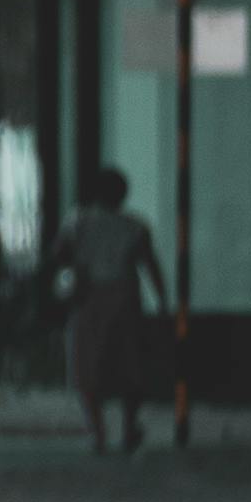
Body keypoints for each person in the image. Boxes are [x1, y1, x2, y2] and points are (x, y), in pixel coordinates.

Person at [58, 164, 169, 456]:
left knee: (87, 365)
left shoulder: (78, 221)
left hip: (88, 298)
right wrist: (162, 301)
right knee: (129, 363)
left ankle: (97, 431)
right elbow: (149, 264)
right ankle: (129, 427)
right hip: (125, 297)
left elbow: (60, 254)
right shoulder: (135, 226)